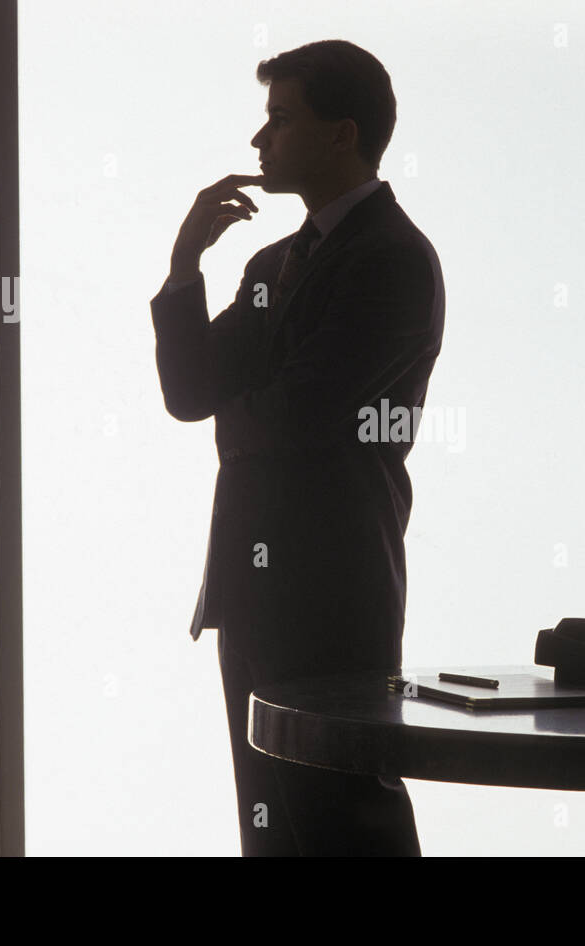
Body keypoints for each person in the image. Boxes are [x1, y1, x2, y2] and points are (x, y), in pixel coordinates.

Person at [150, 39, 444, 855]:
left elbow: (303, 417)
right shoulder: (272, 262)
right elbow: (191, 394)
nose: (259, 140)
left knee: (348, 817)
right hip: (249, 589)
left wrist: (244, 414)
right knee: (270, 823)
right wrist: (184, 267)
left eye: (280, 118)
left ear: (342, 133)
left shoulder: (394, 260)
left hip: (333, 588)